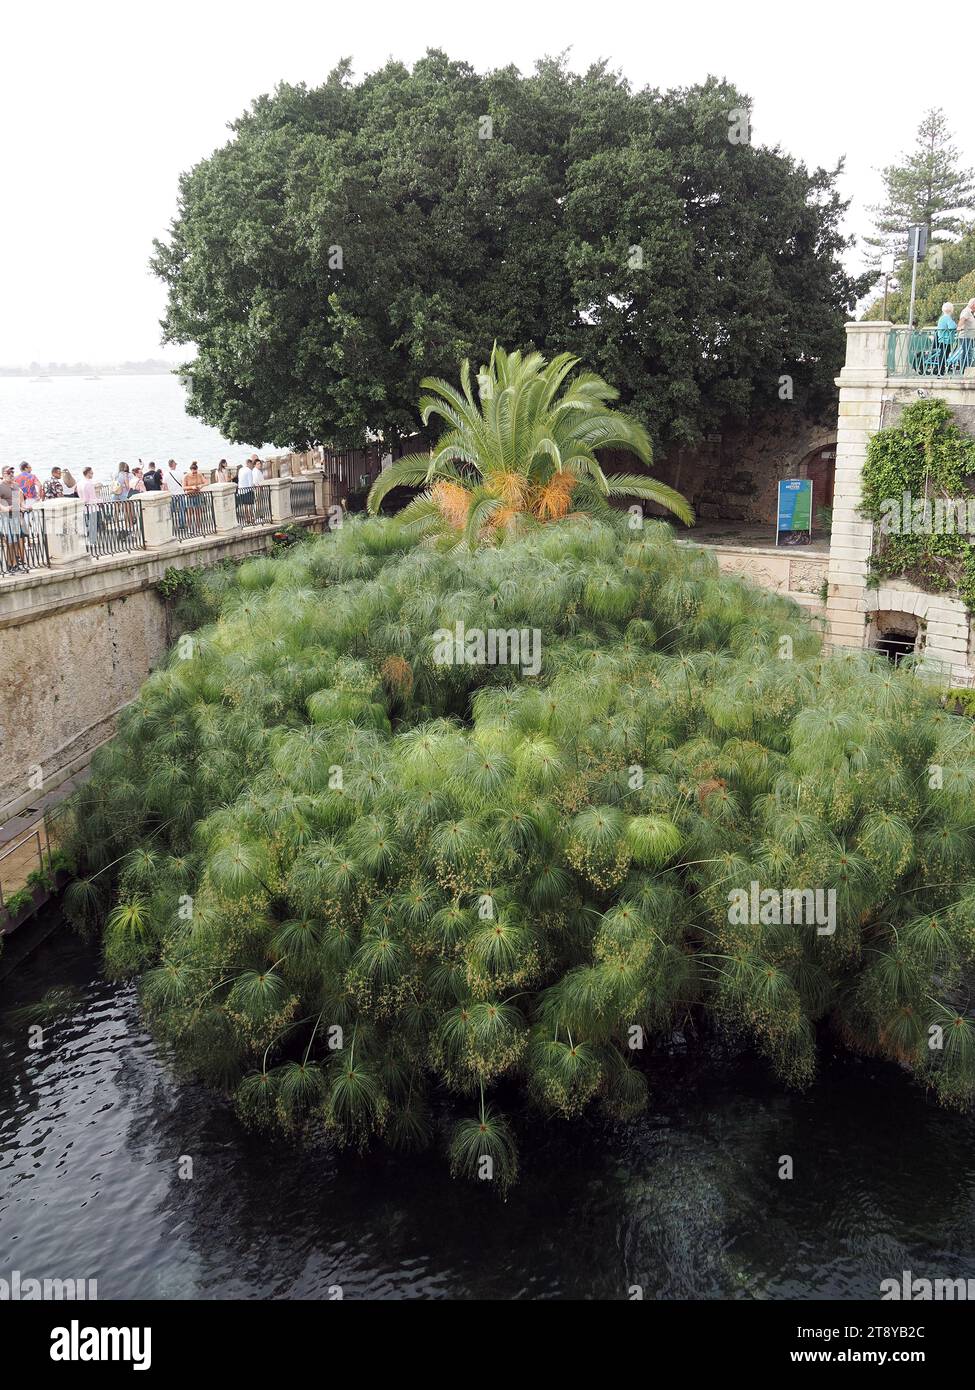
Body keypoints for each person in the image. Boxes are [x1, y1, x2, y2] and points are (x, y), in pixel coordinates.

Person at [1, 464, 27, 572]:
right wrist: (5, 508)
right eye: (8, 472)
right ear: (3, 474)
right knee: (9, 542)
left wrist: (23, 508)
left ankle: (15, 564)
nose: (11, 474)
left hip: (16, 517)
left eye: (12, 472)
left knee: (16, 541)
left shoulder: (15, 486)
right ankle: (9, 565)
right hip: (5, 517)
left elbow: (18, 502)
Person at [80, 467, 99, 555]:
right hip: (92, 506)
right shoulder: (89, 483)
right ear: (87, 473)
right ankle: (93, 542)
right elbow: (91, 497)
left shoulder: (80, 483)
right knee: (93, 525)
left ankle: (86, 541)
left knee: (86, 525)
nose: (93, 474)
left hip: (83, 507)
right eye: (91, 473)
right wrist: (100, 501)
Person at [183, 461, 205, 534]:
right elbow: (183, 487)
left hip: (198, 495)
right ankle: (189, 528)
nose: (194, 474)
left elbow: (205, 482)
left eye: (195, 472)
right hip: (190, 496)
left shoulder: (199, 475)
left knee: (198, 513)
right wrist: (191, 487)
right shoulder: (186, 476)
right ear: (191, 470)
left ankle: (199, 528)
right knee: (190, 513)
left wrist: (201, 486)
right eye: (193, 473)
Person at [936, 302, 956, 373]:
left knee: (943, 355)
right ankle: (940, 371)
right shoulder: (947, 318)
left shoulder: (942, 318)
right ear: (951, 310)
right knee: (944, 356)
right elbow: (952, 326)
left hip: (942, 339)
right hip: (946, 340)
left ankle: (940, 370)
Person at [236, 457, 255, 525]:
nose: (252, 466)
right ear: (249, 463)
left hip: (240, 490)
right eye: (252, 464)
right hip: (247, 490)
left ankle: (246, 519)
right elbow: (250, 483)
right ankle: (252, 518)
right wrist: (253, 488)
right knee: (250, 505)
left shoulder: (241, 469)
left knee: (244, 505)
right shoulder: (249, 470)